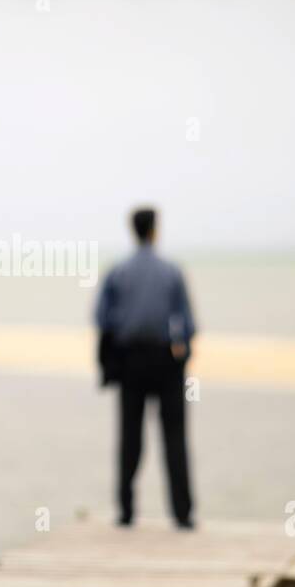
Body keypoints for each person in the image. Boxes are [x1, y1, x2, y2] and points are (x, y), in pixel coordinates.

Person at [94, 207, 197, 530]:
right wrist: (183, 352)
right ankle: (182, 514)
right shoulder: (171, 271)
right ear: (155, 230)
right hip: (167, 361)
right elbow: (188, 322)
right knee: (175, 438)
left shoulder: (119, 271)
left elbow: (101, 317)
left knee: (129, 438)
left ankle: (125, 511)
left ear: (133, 230)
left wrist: (115, 348)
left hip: (130, 362)